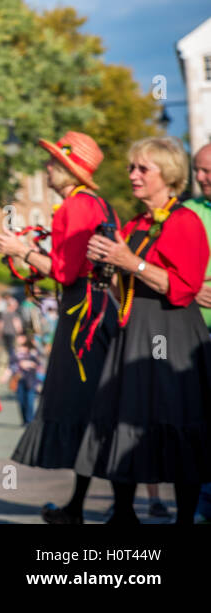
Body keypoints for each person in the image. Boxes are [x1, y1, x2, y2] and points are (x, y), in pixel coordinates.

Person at [80, 136, 211, 525]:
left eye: (142, 169)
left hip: (170, 329)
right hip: (133, 326)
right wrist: (107, 263)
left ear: (167, 175)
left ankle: (184, 517)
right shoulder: (134, 223)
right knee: (124, 412)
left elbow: (183, 287)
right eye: (131, 168)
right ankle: (123, 512)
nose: (133, 175)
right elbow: (125, 287)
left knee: (176, 417)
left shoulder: (184, 220)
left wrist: (129, 262)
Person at [0, 131, 119, 524]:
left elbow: (64, 274)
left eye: (53, 162)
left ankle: (91, 510)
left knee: (82, 406)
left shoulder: (73, 208)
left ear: (68, 169)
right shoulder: (102, 205)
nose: (47, 167)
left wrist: (21, 251)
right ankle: (93, 508)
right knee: (102, 407)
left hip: (82, 313)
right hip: (104, 308)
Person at [187, 142, 211, 523]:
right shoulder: (187, 213)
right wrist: (191, 289)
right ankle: (204, 503)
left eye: (208, 170)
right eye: (197, 170)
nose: (201, 178)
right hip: (195, 336)